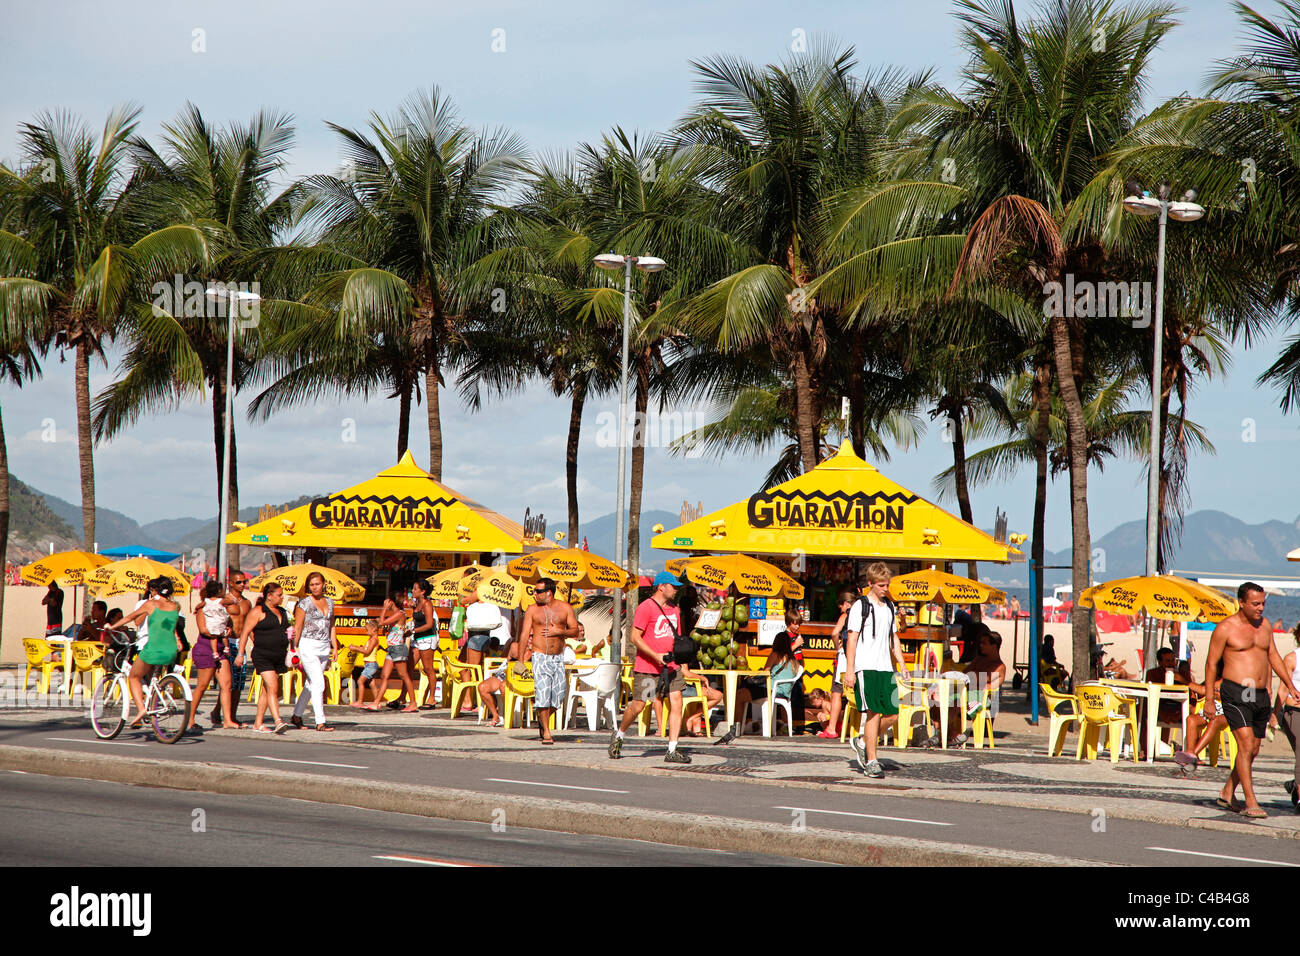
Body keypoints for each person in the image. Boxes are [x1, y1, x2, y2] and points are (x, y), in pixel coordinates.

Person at [1199, 582, 1300, 818]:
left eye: (1263, 603)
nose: (1261, 608)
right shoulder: (1226, 628)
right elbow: (1211, 663)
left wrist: (1291, 686)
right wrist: (1208, 700)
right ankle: (1251, 801)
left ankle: (1227, 792)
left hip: (1260, 694)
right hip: (1235, 692)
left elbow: (1273, 657)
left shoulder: (1264, 626)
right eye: (1255, 603)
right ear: (1241, 602)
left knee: (1253, 749)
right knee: (1245, 744)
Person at [609, 571, 693, 764]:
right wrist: (656, 656)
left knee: (677, 701)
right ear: (661, 586)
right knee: (639, 705)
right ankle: (619, 735)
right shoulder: (645, 608)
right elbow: (634, 637)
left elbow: (676, 638)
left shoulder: (674, 610)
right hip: (648, 667)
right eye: (673, 586)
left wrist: (682, 660)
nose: (676, 590)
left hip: (671, 667)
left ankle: (672, 749)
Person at [844, 563, 909, 778]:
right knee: (873, 714)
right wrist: (850, 670)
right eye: (881, 585)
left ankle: (862, 742)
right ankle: (872, 760)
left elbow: (894, 639)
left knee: (892, 715)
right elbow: (851, 639)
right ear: (870, 583)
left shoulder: (889, 607)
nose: (885, 588)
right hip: (866, 666)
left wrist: (902, 664)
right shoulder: (859, 606)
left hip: (885, 667)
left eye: (887, 584)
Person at [104, 577, 182, 729]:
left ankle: (141, 709)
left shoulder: (151, 604)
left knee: (134, 676)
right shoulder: (175, 606)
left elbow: (130, 618)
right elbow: (170, 627)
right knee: (153, 677)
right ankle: (153, 699)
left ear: (154, 590)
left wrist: (112, 627)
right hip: (171, 651)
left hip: (153, 649)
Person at [519, 577, 579, 744]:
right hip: (540, 656)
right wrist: (520, 659)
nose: (535, 594)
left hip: (558, 657)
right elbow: (524, 634)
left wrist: (559, 631)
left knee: (558, 696)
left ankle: (542, 716)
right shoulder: (532, 610)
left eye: (538, 591)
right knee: (543, 694)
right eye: (534, 591)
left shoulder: (565, 608)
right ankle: (546, 732)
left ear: (549, 593)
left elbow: (575, 631)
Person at [235, 582, 292, 734]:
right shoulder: (258, 611)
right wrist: (240, 654)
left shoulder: (283, 611)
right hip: (262, 655)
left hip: (279, 655)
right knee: (273, 687)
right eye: (279, 595)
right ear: (269, 596)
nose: (282, 597)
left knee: (267, 691)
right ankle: (278, 721)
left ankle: (258, 723)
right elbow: (245, 632)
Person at [186, 580, 241, 733]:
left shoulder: (222, 607)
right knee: (202, 686)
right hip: (205, 649)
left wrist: (227, 630)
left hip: (221, 649)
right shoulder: (203, 609)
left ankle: (228, 720)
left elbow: (233, 615)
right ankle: (190, 719)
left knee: (227, 684)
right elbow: (203, 630)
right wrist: (219, 633)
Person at [291, 571, 339, 731]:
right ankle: (320, 722)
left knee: (311, 684)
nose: (315, 587)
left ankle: (297, 715)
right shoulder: (304, 603)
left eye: (317, 584)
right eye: (312, 585)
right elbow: (298, 626)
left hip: (324, 645)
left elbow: (331, 625)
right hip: (308, 645)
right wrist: (294, 648)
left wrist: (335, 646)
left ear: (324, 584)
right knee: (319, 683)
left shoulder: (330, 602)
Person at [730, 630, 801, 735]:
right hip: (785, 694)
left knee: (739, 696)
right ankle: (738, 727)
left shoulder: (775, 655)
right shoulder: (794, 661)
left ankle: (736, 728)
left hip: (770, 690)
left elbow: (765, 673)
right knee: (743, 693)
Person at [212, 572, 252, 726]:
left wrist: (254, 644)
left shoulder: (247, 603)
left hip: (241, 643)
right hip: (227, 643)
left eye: (244, 582)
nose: (242, 584)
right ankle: (221, 714)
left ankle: (229, 715)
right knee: (228, 683)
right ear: (231, 583)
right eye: (239, 582)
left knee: (239, 683)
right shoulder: (225, 601)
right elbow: (210, 608)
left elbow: (250, 625)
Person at [367, 591, 417, 712]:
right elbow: (384, 625)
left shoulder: (400, 614)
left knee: (404, 675)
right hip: (391, 649)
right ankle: (376, 702)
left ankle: (413, 703)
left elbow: (382, 622)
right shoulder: (394, 615)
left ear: (391, 602)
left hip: (398, 649)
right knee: (384, 675)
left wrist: (384, 609)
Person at [819, 588, 858, 739]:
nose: (840, 608)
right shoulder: (861, 616)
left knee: (836, 692)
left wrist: (838, 646)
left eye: (841, 605)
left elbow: (834, 633)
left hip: (843, 659)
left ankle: (831, 728)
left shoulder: (846, 615)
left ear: (847, 603)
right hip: (857, 659)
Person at [1275, 635, 1300, 813]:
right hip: (1294, 712)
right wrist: (1275, 714)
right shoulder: (1292, 658)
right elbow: (1283, 689)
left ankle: (1294, 784)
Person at [407, 579, 439, 709]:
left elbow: (429, 624)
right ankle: (405, 696)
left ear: (423, 592)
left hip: (427, 637)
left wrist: (413, 630)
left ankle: (432, 698)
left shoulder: (427, 604)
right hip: (417, 638)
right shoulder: (417, 603)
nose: (412, 591)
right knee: (408, 667)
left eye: (415, 589)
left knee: (428, 668)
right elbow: (417, 619)